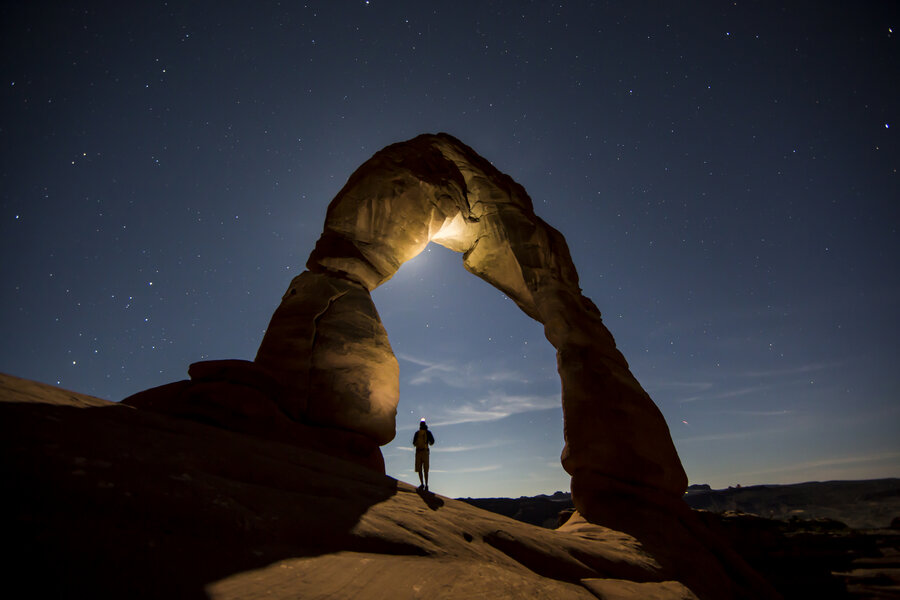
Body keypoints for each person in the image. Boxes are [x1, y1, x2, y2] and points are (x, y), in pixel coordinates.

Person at [412, 418, 435, 491]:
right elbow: (432, 442)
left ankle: (422, 484)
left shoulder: (417, 433)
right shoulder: (428, 432)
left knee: (419, 469)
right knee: (425, 470)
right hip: (425, 452)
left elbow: (414, 443)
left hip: (419, 452)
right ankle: (426, 485)